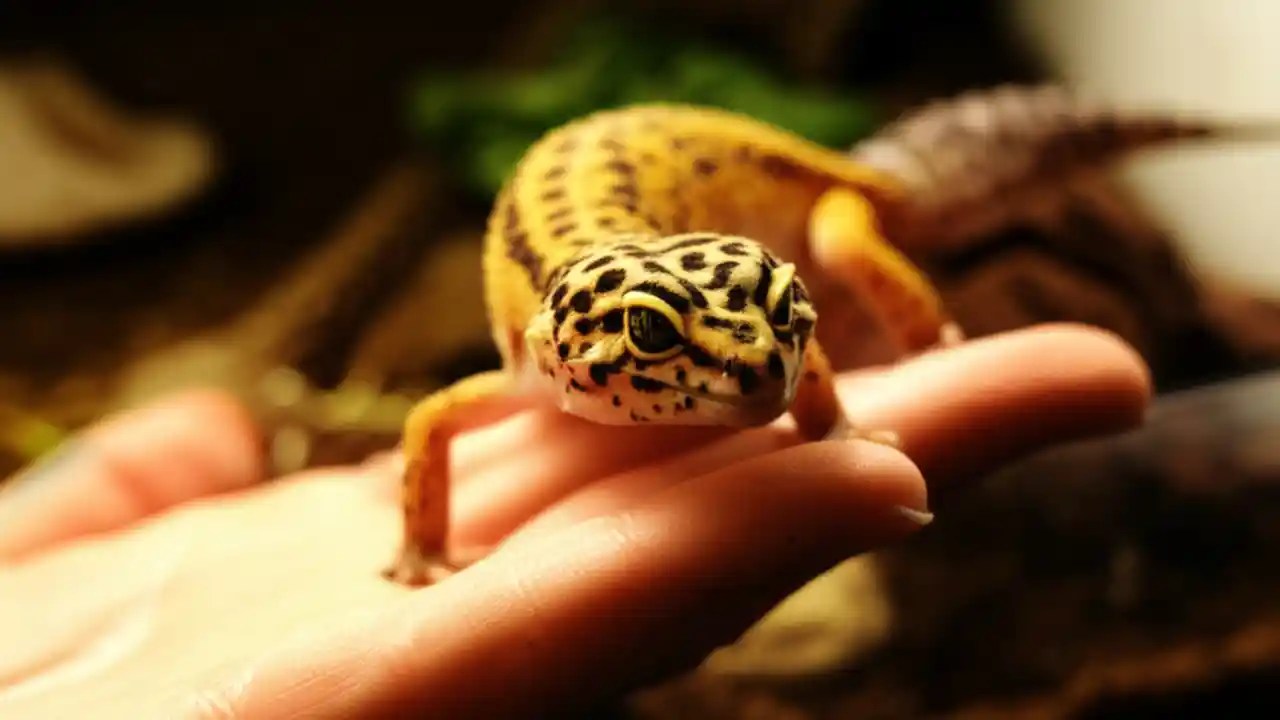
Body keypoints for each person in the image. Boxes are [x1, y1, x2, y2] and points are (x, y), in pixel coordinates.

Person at [0, 324, 1149, 718]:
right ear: (558, 350)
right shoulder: (514, 377)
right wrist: (417, 542)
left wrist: (824, 414)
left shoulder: (767, 353)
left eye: (782, 339)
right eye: (660, 345)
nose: (758, 376)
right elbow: (436, 429)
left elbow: (775, 355)